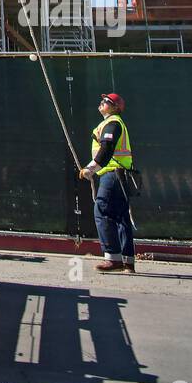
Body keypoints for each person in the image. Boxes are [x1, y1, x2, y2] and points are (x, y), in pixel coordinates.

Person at [79, 91, 135, 272]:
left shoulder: (112, 123)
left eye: (106, 101)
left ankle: (113, 258)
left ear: (115, 107)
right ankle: (128, 262)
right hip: (121, 175)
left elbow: (107, 148)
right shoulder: (113, 123)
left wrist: (90, 169)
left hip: (112, 174)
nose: (102, 102)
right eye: (102, 100)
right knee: (121, 217)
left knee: (102, 209)